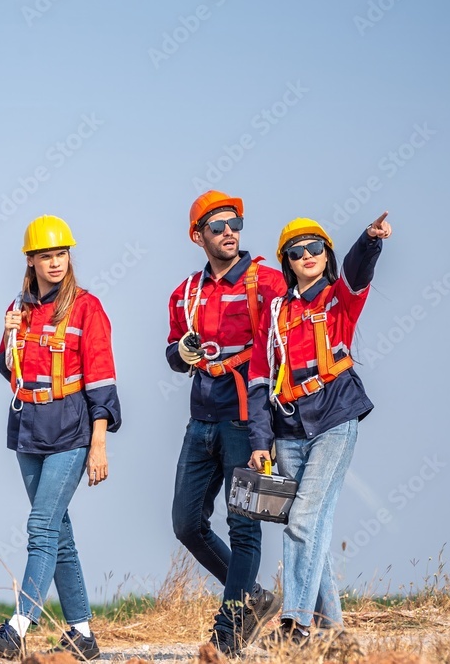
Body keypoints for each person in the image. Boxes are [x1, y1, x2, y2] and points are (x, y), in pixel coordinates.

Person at [0, 215, 121, 661]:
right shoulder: (19, 308)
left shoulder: (87, 307)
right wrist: (9, 337)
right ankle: (82, 634)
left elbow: (101, 380)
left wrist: (99, 443)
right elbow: (8, 368)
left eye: (61, 254)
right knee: (58, 532)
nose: (55, 262)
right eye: (46, 255)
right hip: (28, 426)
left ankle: (19, 627)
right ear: (31, 260)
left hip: (71, 428)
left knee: (40, 526)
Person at [247, 213, 392, 645]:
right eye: (297, 251)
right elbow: (257, 380)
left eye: (315, 248)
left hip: (335, 415)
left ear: (325, 254)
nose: (307, 256)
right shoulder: (273, 314)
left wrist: (368, 241)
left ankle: (295, 627)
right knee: (313, 528)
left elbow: (356, 274)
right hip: (288, 427)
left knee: (304, 520)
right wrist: (260, 441)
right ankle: (334, 633)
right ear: (286, 262)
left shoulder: (337, 300)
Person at [165, 190, 287, 655]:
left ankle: (229, 628)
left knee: (244, 526)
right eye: (218, 226)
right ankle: (252, 597)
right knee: (186, 523)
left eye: (235, 222)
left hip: (248, 423)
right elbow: (173, 353)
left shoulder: (269, 283)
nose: (230, 231)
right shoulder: (185, 294)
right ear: (199, 237)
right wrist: (183, 353)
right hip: (201, 421)